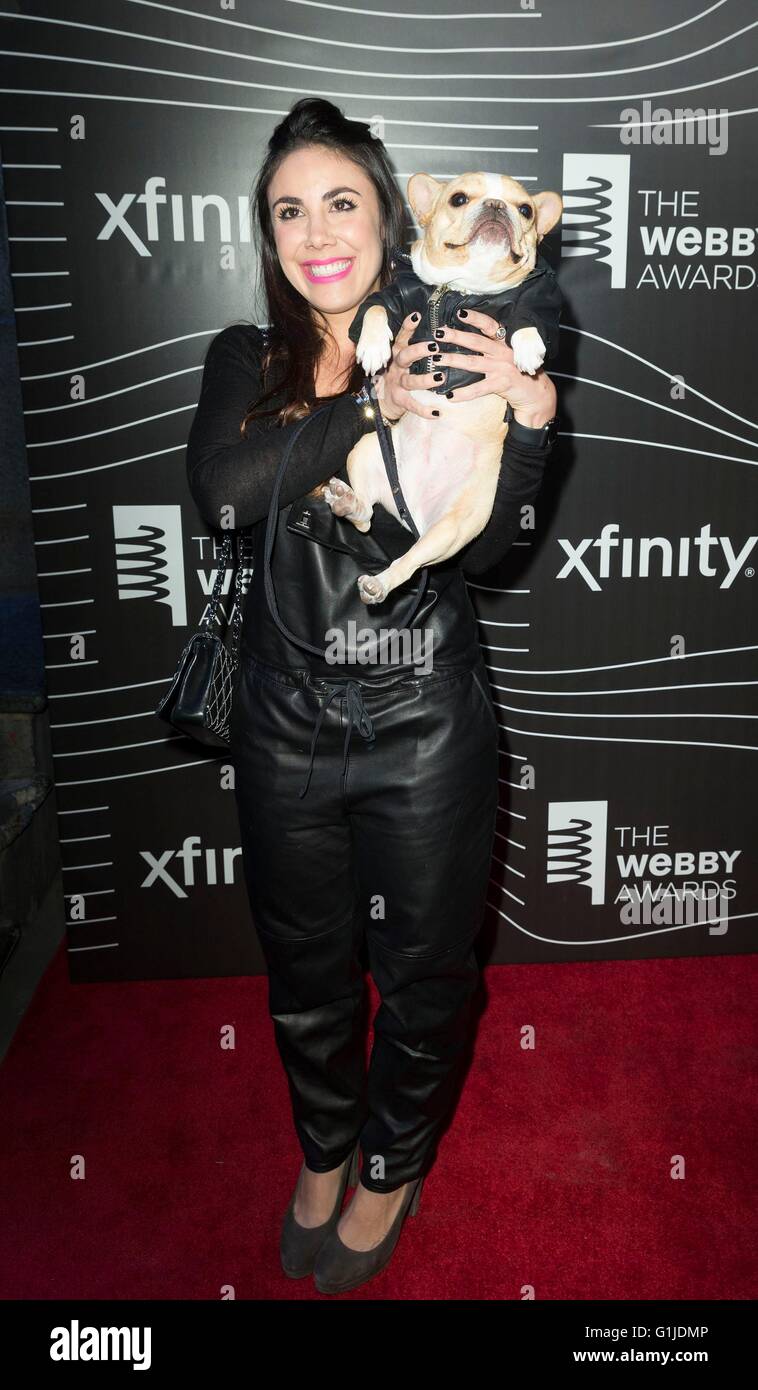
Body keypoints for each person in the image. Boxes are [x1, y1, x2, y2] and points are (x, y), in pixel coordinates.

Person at [186, 97, 558, 1296]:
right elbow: (230, 494)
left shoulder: (465, 339)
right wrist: (364, 397)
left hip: (425, 714)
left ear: (390, 218)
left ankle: (391, 1162)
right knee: (303, 974)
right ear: (269, 237)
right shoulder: (248, 359)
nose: (314, 230)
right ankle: (322, 1146)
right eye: (287, 210)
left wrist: (533, 418)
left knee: (426, 974)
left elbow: (497, 548)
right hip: (286, 717)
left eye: (338, 200)